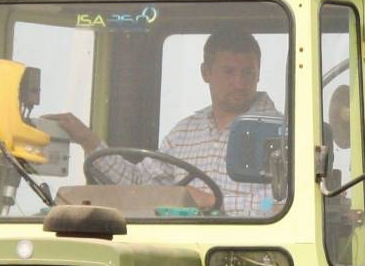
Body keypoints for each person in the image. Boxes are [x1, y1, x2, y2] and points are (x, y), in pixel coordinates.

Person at [45, 28, 279, 217]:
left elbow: (279, 206)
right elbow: (139, 185)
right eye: (229, 72)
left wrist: (212, 201)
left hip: (249, 254)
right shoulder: (185, 132)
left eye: (247, 73)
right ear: (206, 72)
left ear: (258, 73)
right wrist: (88, 140)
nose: (239, 83)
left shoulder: (282, 133)